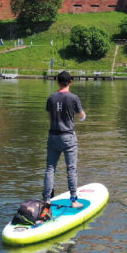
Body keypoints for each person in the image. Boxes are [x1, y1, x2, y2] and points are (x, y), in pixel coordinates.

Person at [44, 71, 86, 209]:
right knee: (71, 169)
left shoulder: (51, 98)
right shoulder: (74, 98)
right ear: (71, 82)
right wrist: (83, 116)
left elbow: (50, 118)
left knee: (50, 168)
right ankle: (74, 201)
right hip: (68, 137)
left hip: (53, 136)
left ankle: (47, 200)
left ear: (57, 82)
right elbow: (81, 116)